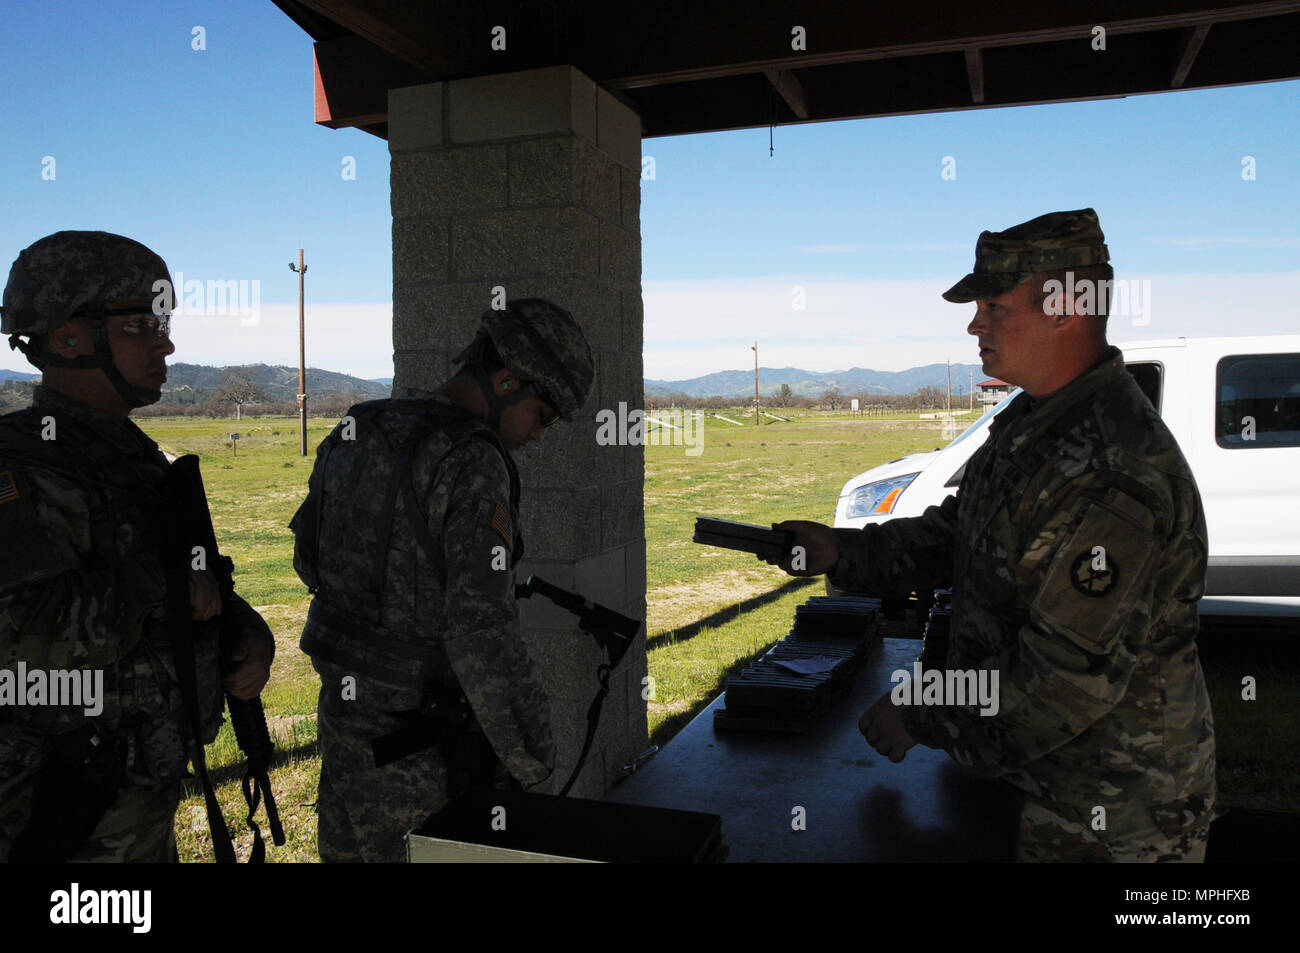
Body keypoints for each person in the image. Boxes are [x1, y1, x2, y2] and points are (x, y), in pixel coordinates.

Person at [771, 209, 1216, 862]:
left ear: (1066, 306)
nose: (975, 324)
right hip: (1031, 783)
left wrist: (921, 711)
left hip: (1110, 815)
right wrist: (844, 551)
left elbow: (1060, 683)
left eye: (993, 307)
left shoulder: (1113, 466)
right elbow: (959, 531)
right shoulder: (1042, 420)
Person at [0, 230, 274, 862]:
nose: (167, 343)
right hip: (50, 823)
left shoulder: (137, 462)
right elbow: (18, 637)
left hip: (137, 804)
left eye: (165, 322)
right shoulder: (19, 470)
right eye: (141, 325)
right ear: (67, 335)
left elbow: (196, 584)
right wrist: (164, 587)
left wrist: (242, 631)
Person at [291, 297, 594, 862]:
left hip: (345, 732)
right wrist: (531, 756)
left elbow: (309, 562)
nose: (540, 435)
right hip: (422, 753)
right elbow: (481, 629)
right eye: (543, 414)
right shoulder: (470, 460)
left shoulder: (359, 429)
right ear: (505, 381)